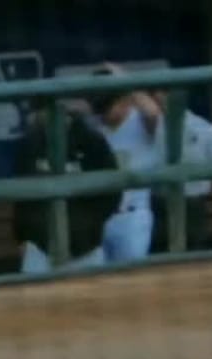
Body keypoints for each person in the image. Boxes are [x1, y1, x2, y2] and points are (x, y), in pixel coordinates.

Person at [11, 96, 120, 274]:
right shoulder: (31, 142)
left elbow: (112, 191)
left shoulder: (91, 141)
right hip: (40, 249)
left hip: (86, 250)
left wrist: (89, 227)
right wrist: (22, 237)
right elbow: (21, 196)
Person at [148, 89, 212, 252]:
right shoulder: (146, 126)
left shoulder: (204, 129)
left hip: (193, 207)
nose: (159, 98)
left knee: (193, 256)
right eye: (156, 93)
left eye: (164, 92)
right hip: (157, 205)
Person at [85, 64, 163, 263]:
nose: (102, 114)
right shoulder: (93, 125)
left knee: (129, 275)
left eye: (107, 108)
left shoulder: (140, 121)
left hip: (131, 217)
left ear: (123, 100)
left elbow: (153, 112)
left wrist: (125, 82)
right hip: (97, 217)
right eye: (99, 108)